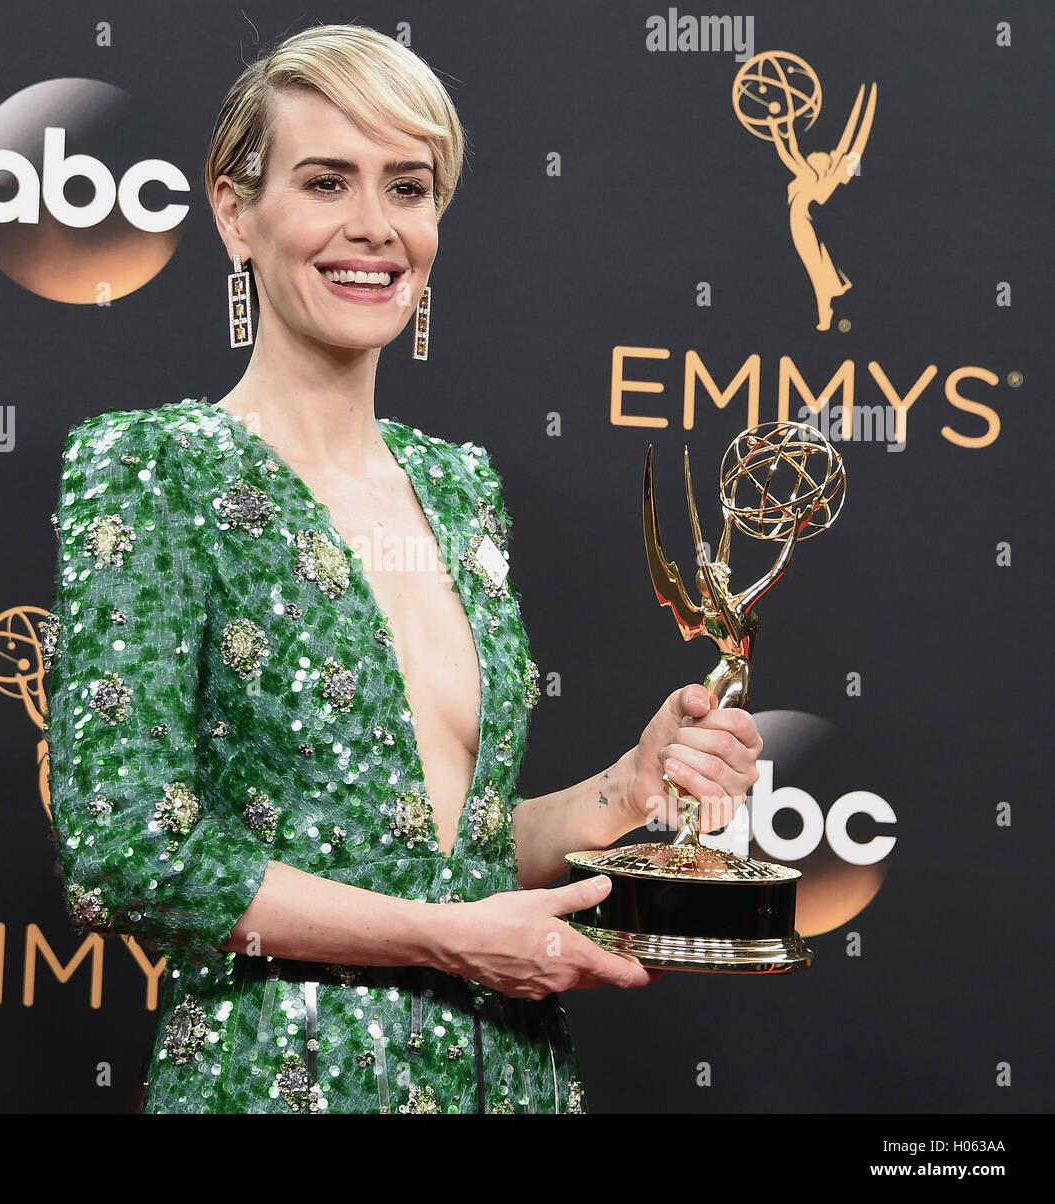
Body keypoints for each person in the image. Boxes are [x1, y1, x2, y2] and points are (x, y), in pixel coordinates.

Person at [42, 22, 762, 1115]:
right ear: (236, 213)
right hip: (285, 1079)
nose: (373, 228)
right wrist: (452, 943)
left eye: (409, 188)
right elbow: (124, 856)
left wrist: (625, 786)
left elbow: (448, 853)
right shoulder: (152, 467)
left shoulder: (460, 484)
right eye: (326, 181)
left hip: (506, 1073)